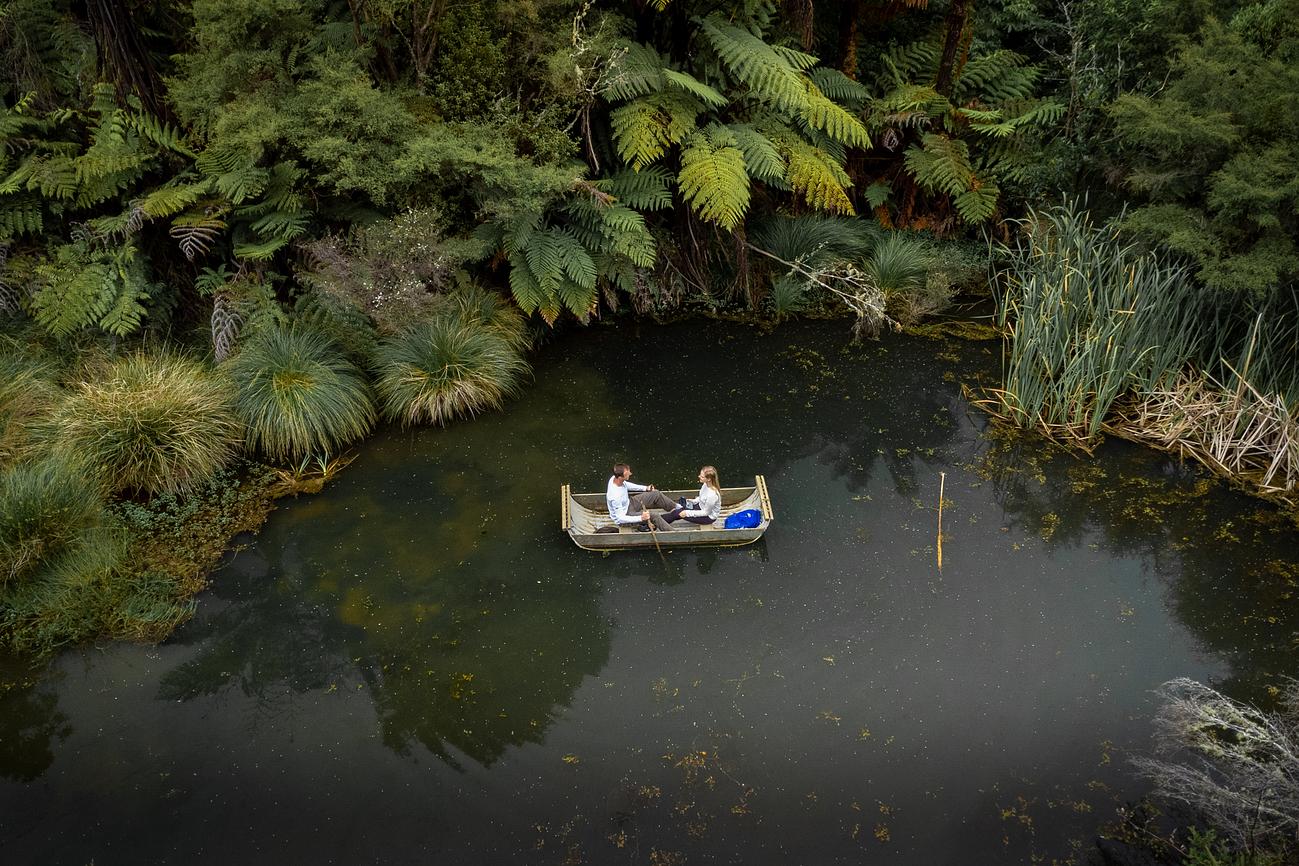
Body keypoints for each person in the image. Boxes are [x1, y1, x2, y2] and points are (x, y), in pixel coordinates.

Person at [606, 462, 678, 532]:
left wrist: (645, 488)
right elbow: (620, 518)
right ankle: (674, 534)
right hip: (625, 517)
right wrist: (641, 518)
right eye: (627, 473)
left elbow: (626, 484)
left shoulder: (615, 478)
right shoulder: (615, 497)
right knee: (654, 516)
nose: (630, 473)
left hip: (629, 503)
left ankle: (676, 508)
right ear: (620, 477)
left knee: (656, 494)